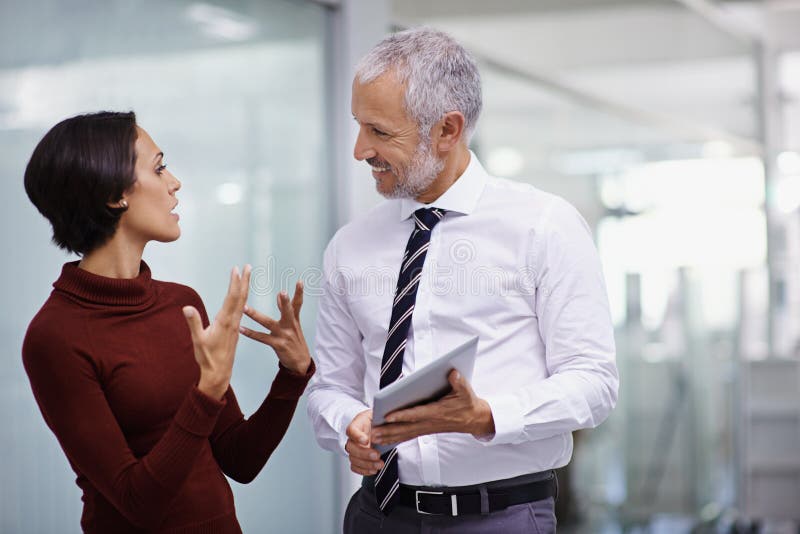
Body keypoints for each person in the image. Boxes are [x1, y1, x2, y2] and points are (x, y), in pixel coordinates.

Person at [306, 28, 619, 533]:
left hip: (501, 517)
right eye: (358, 126)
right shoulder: (350, 245)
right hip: (377, 516)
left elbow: (594, 384)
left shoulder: (543, 226)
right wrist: (350, 424)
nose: (360, 150)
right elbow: (329, 389)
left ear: (447, 131)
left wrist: (487, 416)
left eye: (380, 132)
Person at [22, 111, 314, 534]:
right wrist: (207, 391)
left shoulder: (182, 304)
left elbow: (240, 460)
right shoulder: (54, 337)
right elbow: (137, 502)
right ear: (113, 195)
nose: (174, 182)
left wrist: (292, 374)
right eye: (159, 168)